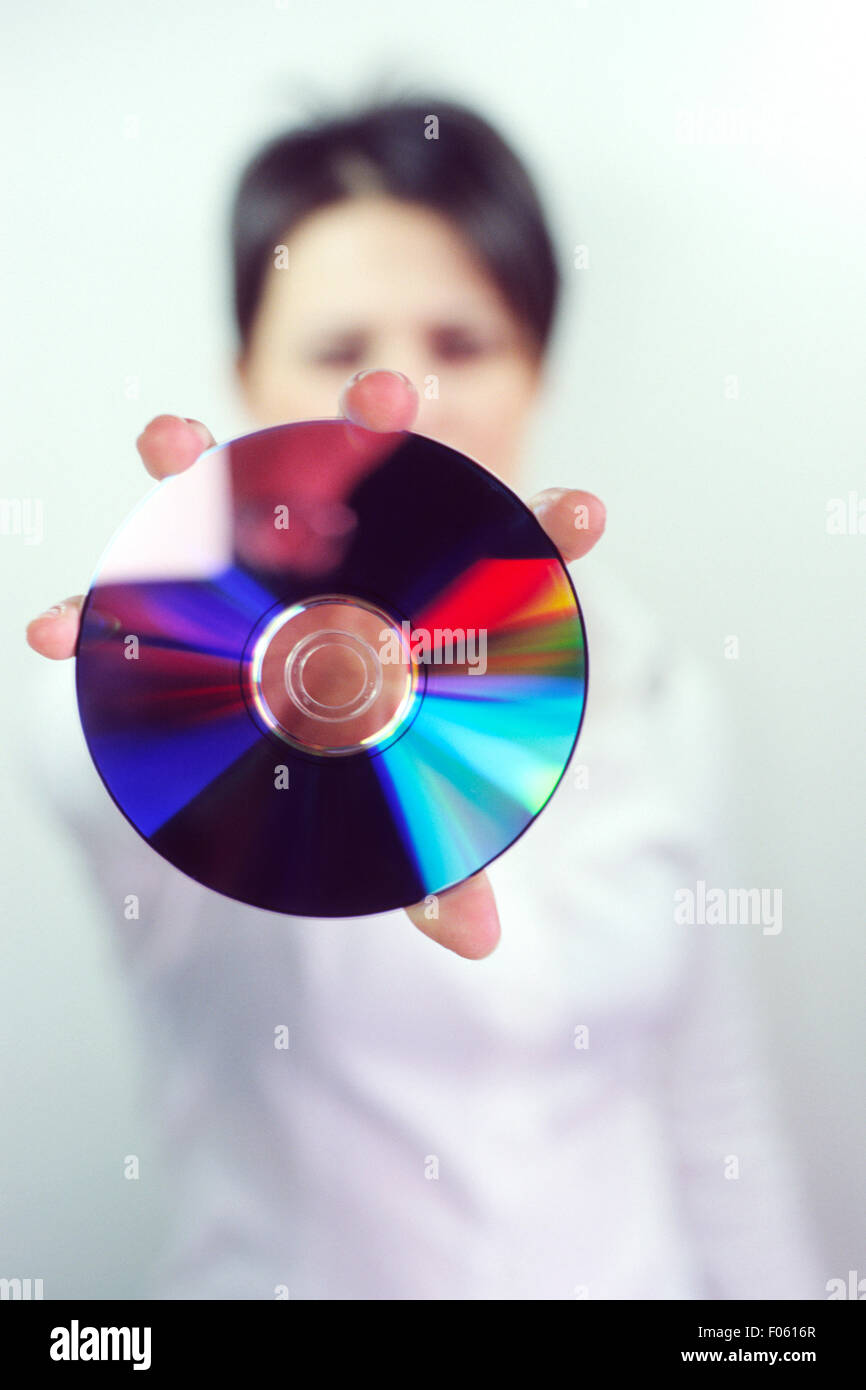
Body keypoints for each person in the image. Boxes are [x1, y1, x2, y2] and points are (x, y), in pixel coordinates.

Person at [23, 96, 820, 1299]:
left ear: (536, 367)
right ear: (247, 377)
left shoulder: (654, 687)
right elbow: (88, 769)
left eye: (463, 342)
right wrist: (206, 658)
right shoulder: (160, 682)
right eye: (339, 348)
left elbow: (714, 1110)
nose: (402, 397)